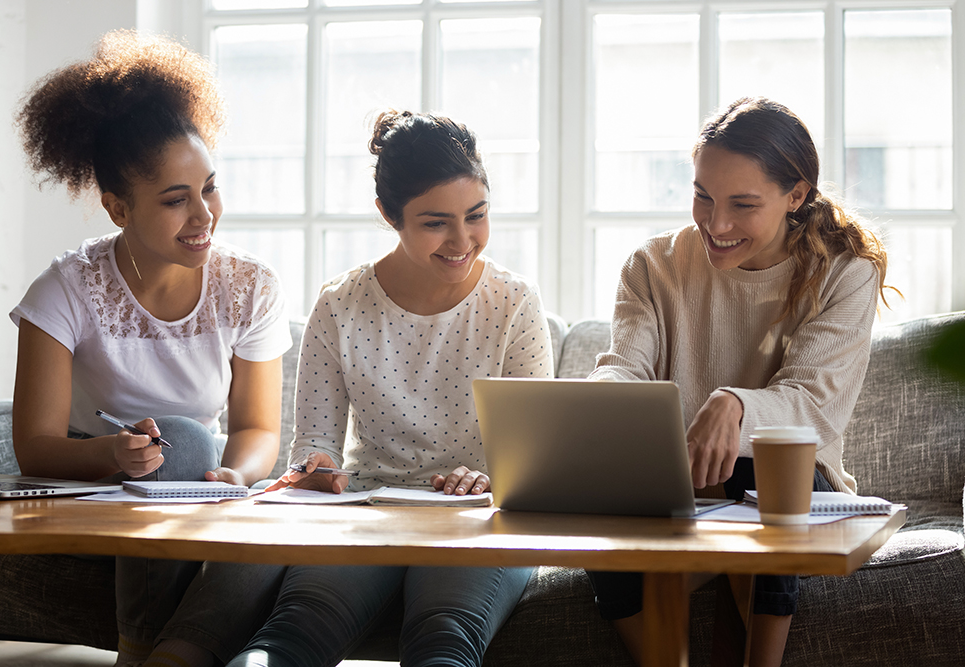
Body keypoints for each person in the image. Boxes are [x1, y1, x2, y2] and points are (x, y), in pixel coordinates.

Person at [224, 109, 554, 667]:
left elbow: (533, 457)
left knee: (444, 641)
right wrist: (316, 469)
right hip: (367, 506)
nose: (462, 240)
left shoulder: (514, 301)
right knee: (293, 633)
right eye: (435, 223)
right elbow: (314, 443)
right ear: (388, 214)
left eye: (476, 215)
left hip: (478, 513)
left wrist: (493, 477)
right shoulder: (340, 304)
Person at [11, 30, 292, 667]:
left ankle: (161, 656)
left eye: (209, 188)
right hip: (97, 482)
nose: (204, 215)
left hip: (204, 478)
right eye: (175, 200)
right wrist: (115, 454)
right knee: (181, 439)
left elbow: (258, 430)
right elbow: (34, 448)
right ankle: (142, 645)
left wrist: (235, 477)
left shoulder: (250, 286)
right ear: (118, 209)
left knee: (254, 505)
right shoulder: (66, 288)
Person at [586, 97, 894, 667]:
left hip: (793, 491)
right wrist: (598, 404)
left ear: (795, 195)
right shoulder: (652, 265)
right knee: (597, 500)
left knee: (760, 460)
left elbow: (813, 405)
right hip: (675, 482)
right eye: (703, 196)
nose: (716, 224)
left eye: (743, 204)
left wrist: (732, 405)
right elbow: (624, 367)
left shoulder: (845, 270)